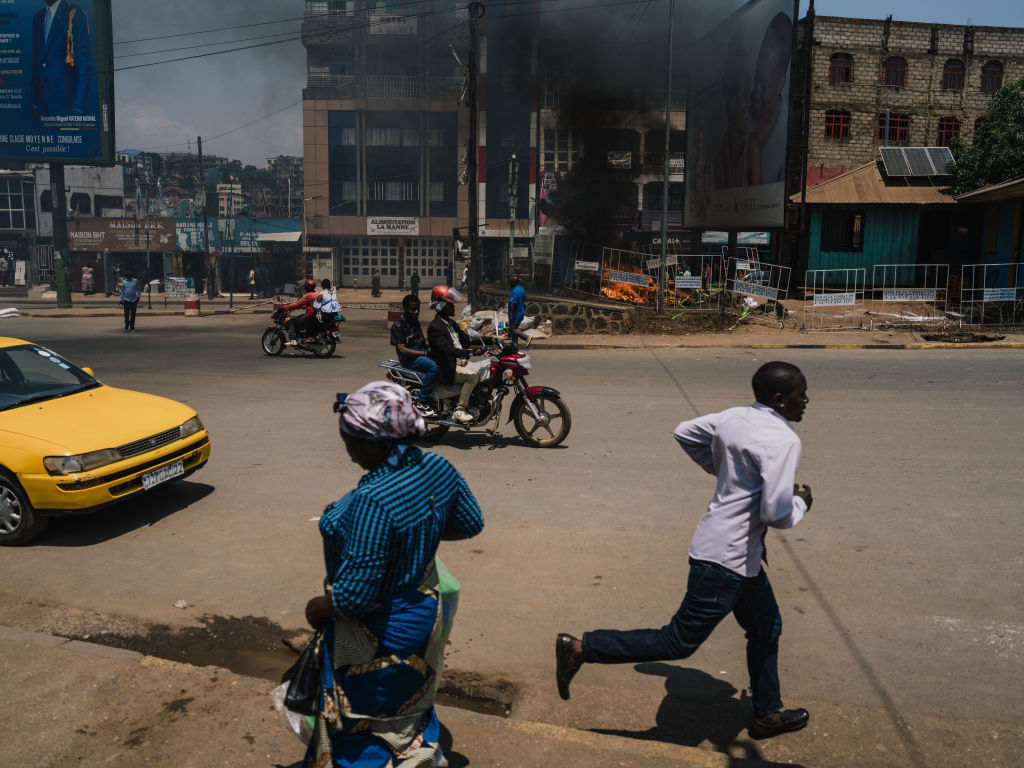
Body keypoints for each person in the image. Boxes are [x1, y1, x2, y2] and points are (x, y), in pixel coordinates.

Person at [555, 361, 813, 740]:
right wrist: (803, 501)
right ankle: (580, 647)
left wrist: (725, 473)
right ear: (779, 400)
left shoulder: (734, 417)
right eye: (799, 394)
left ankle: (766, 715)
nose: (806, 400)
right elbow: (776, 513)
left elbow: (685, 432)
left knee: (766, 628)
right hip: (726, 561)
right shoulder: (784, 440)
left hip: (737, 554)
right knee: (677, 642)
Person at [303, 381, 484, 768]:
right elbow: (469, 523)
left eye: (349, 438)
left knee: (366, 723)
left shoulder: (374, 499)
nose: (346, 447)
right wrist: (419, 537)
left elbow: (354, 599)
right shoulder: (436, 466)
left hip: (380, 631)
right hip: (422, 610)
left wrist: (319, 608)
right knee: (407, 702)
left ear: (373, 442)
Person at [746, 13, 793, 187]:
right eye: (756, 80)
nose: (756, 93)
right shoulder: (742, 120)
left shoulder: (789, 137)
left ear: (781, 83)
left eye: (764, 85)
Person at [31, 0, 95, 124]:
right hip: (40, 105)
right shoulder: (37, 18)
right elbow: (36, 62)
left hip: (66, 106)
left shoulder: (74, 13)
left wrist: (78, 109)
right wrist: (34, 101)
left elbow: (84, 65)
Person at [427, 285, 478, 424]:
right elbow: (448, 350)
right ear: (441, 306)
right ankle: (459, 410)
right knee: (473, 377)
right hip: (447, 367)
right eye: (450, 305)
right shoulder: (435, 327)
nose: (454, 307)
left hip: (458, 363)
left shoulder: (451, 323)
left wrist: (490, 341)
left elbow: (466, 340)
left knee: (485, 370)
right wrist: (468, 353)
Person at [390, 294, 440, 417]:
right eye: (413, 309)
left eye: (418, 309)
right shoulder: (399, 325)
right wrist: (425, 352)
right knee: (434, 366)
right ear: (405, 308)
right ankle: (421, 400)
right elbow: (402, 350)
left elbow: (423, 342)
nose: (416, 312)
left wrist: (440, 345)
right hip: (409, 359)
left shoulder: (415, 322)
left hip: (420, 355)